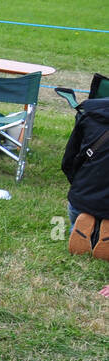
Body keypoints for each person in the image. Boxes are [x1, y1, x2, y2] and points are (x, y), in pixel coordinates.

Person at [63, 92, 109, 258]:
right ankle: (101, 230)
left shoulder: (90, 111)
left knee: (79, 216)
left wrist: (78, 183)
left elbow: (68, 161)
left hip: (82, 197)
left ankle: (88, 228)